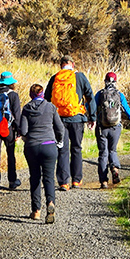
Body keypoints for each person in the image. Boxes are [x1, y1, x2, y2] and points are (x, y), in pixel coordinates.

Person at [44, 55, 95, 191]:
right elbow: (90, 96)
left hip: (59, 119)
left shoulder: (55, 77)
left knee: (62, 149)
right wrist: (92, 117)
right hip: (77, 118)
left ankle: (63, 182)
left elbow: (46, 98)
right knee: (76, 148)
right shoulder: (80, 77)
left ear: (61, 65)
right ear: (72, 64)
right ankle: (76, 181)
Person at [19, 83, 64, 223]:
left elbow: (24, 131)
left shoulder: (26, 108)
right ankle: (50, 203)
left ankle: (36, 211)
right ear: (43, 93)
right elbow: (60, 128)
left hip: (32, 146)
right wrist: (60, 141)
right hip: (49, 146)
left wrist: (27, 139)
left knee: (35, 177)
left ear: (31, 95)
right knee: (49, 178)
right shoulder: (50, 107)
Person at [94, 71, 130, 188]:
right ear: (115, 82)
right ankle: (114, 169)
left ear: (105, 81)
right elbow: (127, 111)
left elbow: (90, 108)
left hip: (102, 128)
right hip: (115, 128)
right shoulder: (119, 95)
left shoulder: (99, 94)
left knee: (103, 154)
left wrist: (90, 120)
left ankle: (104, 181)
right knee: (112, 151)